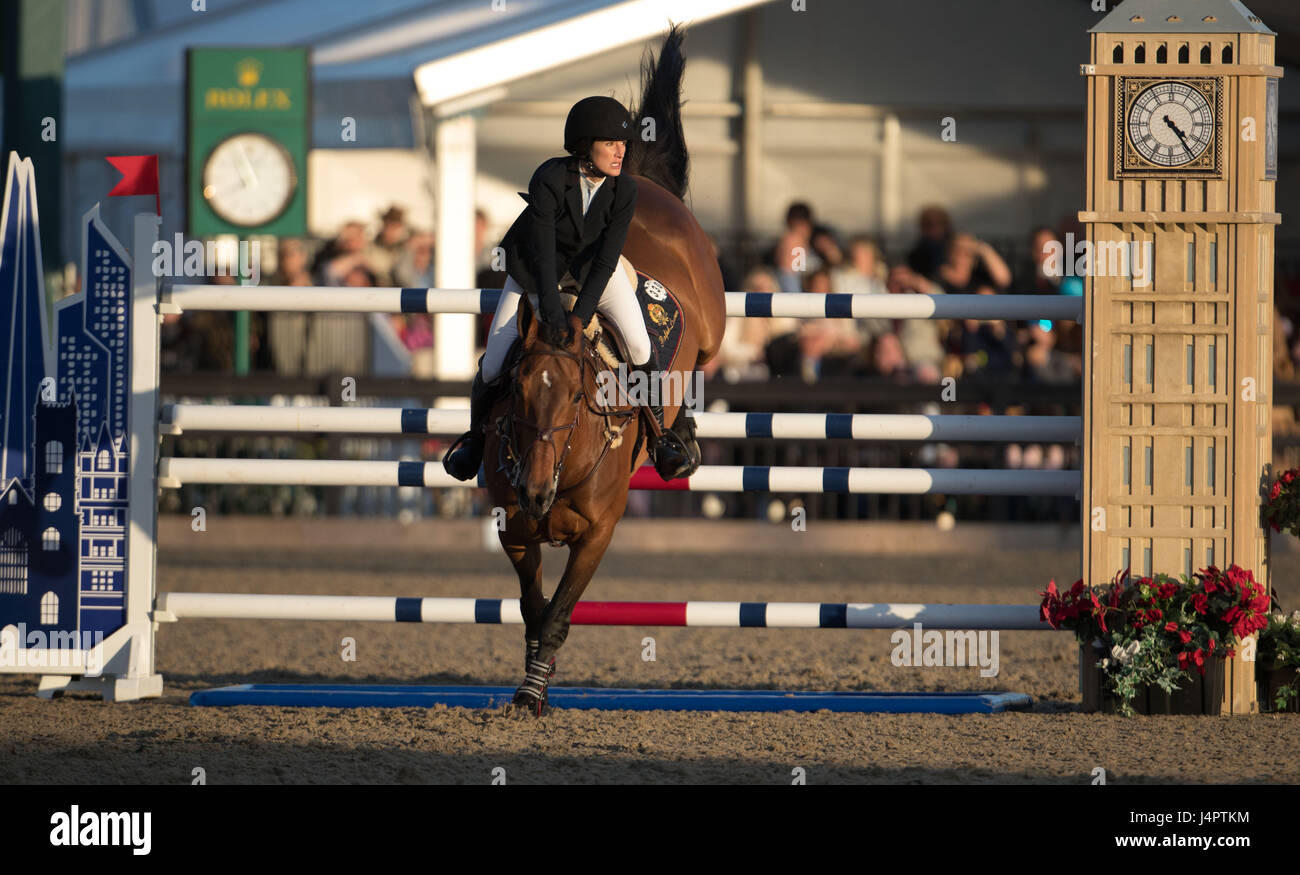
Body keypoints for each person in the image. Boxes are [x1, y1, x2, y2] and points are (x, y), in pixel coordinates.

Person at [442, 95, 693, 482]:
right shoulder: (550, 179)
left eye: (623, 143)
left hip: (595, 273)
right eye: (610, 143)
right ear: (583, 146)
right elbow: (542, 254)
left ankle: (661, 437)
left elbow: (608, 258)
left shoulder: (623, 190)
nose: (620, 151)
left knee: (641, 346)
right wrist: (553, 315)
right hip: (536, 273)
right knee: (494, 360)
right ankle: (475, 441)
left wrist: (579, 317)